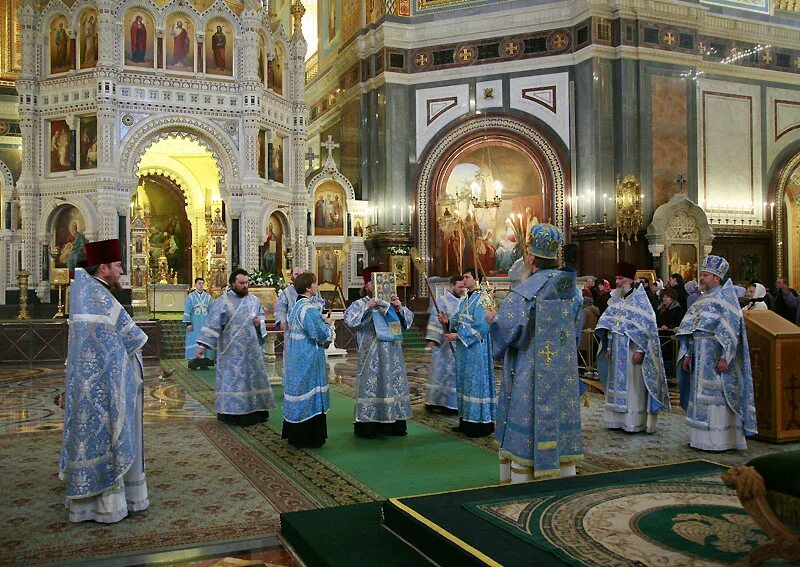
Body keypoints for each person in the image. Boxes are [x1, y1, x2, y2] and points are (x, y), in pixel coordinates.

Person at [59, 239, 149, 523]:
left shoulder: (88, 292)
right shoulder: (98, 297)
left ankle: (92, 504)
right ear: (104, 267)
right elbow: (130, 338)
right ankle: (106, 506)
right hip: (104, 385)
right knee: (107, 438)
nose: (123, 270)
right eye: (119, 265)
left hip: (91, 384)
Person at [488, 223, 583, 483]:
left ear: (530, 258)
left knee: (526, 414)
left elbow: (507, 333)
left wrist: (492, 319)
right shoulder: (572, 291)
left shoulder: (524, 293)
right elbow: (576, 331)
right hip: (562, 372)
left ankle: (524, 478)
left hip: (529, 372)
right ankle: (562, 473)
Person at [675, 255, 757, 451]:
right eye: (701, 275)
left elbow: (731, 330)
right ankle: (700, 438)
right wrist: (687, 354)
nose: (701, 278)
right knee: (701, 397)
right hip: (699, 355)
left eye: (704, 275)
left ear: (716, 278)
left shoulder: (725, 299)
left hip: (715, 356)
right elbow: (690, 329)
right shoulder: (702, 300)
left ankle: (720, 441)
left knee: (717, 398)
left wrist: (725, 357)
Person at [595, 262, 670, 433]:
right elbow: (610, 325)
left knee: (633, 387)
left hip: (631, 351)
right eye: (617, 278)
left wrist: (640, 350)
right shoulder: (616, 300)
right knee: (616, 386)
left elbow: (647, 328)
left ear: (630, 279)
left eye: (620, 278)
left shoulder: (641, 301)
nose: (618, 282)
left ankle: (633, 422)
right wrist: (607, 348)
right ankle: (617, 420)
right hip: (616, 349)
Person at [195, 269, 276, 426]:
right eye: (241, 283)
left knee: (252, 380)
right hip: (231, 352)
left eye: (246, 283)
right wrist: (203, 346)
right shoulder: (222, 302)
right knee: (235, 381)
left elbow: (261, 317)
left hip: (252, 351)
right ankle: (232, 414)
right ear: (233, 283)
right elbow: (213, 324)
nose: (245, 286)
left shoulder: (254, 300)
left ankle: (256, 411)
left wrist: (260, 322)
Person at [344, 266, 413, 437]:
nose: (375, 285)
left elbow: (407, 322)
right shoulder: (359, 304)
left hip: (392, 353)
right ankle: (369, 425)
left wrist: (399, 308)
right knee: (372, 385)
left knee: (393, 383)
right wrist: (368, 307)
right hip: (371, 353)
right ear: (366, 285)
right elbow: (351, 321)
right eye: (371, 281)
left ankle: (395, 423)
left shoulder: (392, 303)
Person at [438, 268, 495, 437]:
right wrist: (447, 321)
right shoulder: (465, 299)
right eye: (463, 277)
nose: (463, 280)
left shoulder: (484, 298)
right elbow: (458, 319)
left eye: (467, 277)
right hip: (464, 351)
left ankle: (479, 425)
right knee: (465, 384)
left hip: (476, 350)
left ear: (476, 279)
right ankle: (465, 422)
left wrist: (459, 335)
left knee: (476, 384)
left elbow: (483, 326)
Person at [282, 273, 332, 448]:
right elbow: (319, 334)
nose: (317, 286)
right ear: (309, 287)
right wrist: (328, 326)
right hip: (308, 357)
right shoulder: (309, 309)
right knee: (309, 391)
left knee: (299, 389)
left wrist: (321, 320)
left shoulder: (296, 306)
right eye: (316, 284)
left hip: (297, 355)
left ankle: (294, 434)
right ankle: (309, 437)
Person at [424, 275, 465, 415]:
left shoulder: (465, 301)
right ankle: (435, 402)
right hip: (443, 346)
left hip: (459, 344)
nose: (462, 290)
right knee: (440, 373)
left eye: (463, 287)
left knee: (454, 374)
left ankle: (452, 404)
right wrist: (433, 340)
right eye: (460, 287)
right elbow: (435, 322)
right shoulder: (442, 301)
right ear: (451, 286)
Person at [274, 266, 325, 330]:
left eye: (300, 274)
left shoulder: (312, 291)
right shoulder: (286, 292)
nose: (298, 276)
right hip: (291, 327)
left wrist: (312, 310)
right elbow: (280, 309)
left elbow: (320, 303)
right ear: (291, 276)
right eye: (296, 274)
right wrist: (282, 320)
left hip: (309, 324)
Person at [184, 277, 215, 370]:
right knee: (194, 340)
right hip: (195, 322)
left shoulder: (208, 296)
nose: (201, 285)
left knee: (205, 340)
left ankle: (204, 364)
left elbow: (212, 310)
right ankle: (193, 364)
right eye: (199, 283)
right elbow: (187, 310)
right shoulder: (190, 296)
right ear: (195, 285)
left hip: (205, 322)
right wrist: (188, 323)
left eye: (202, 283)